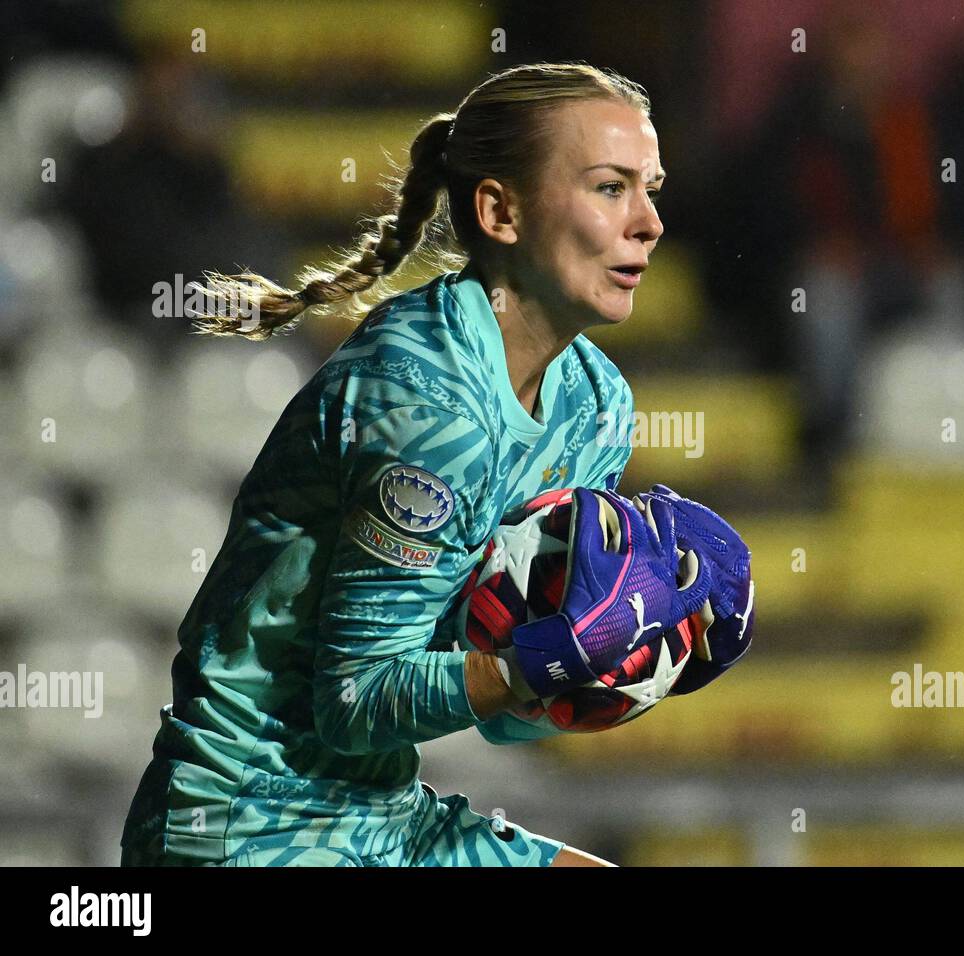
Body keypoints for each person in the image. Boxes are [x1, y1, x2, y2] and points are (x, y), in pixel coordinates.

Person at [119, 62, 676, 868]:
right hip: (244, 823)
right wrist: (541, 661)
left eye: (650, 187)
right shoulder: (425, 397)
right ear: (500, 210)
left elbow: (504, 718)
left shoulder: (597, 409)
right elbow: (354, 701)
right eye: (610, 187)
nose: (650, 222)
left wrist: (630, 668)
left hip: (386, 813)